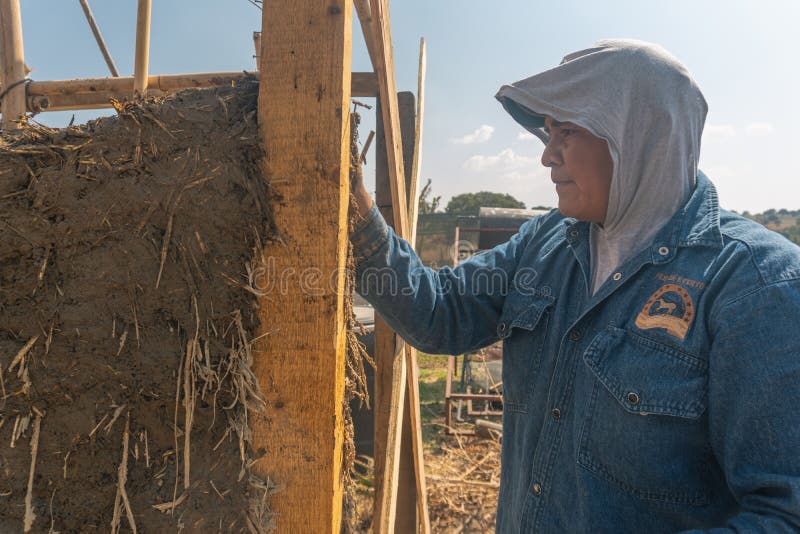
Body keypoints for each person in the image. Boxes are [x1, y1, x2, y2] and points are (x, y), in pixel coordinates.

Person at [350, 39, 800, 533]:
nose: (547, 156)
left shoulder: (756, 286)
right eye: (548, 133)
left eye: (565, 132)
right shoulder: (545, 243)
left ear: (638, 136)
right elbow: (439, 316)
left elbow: (783, 514)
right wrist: (359, 219)